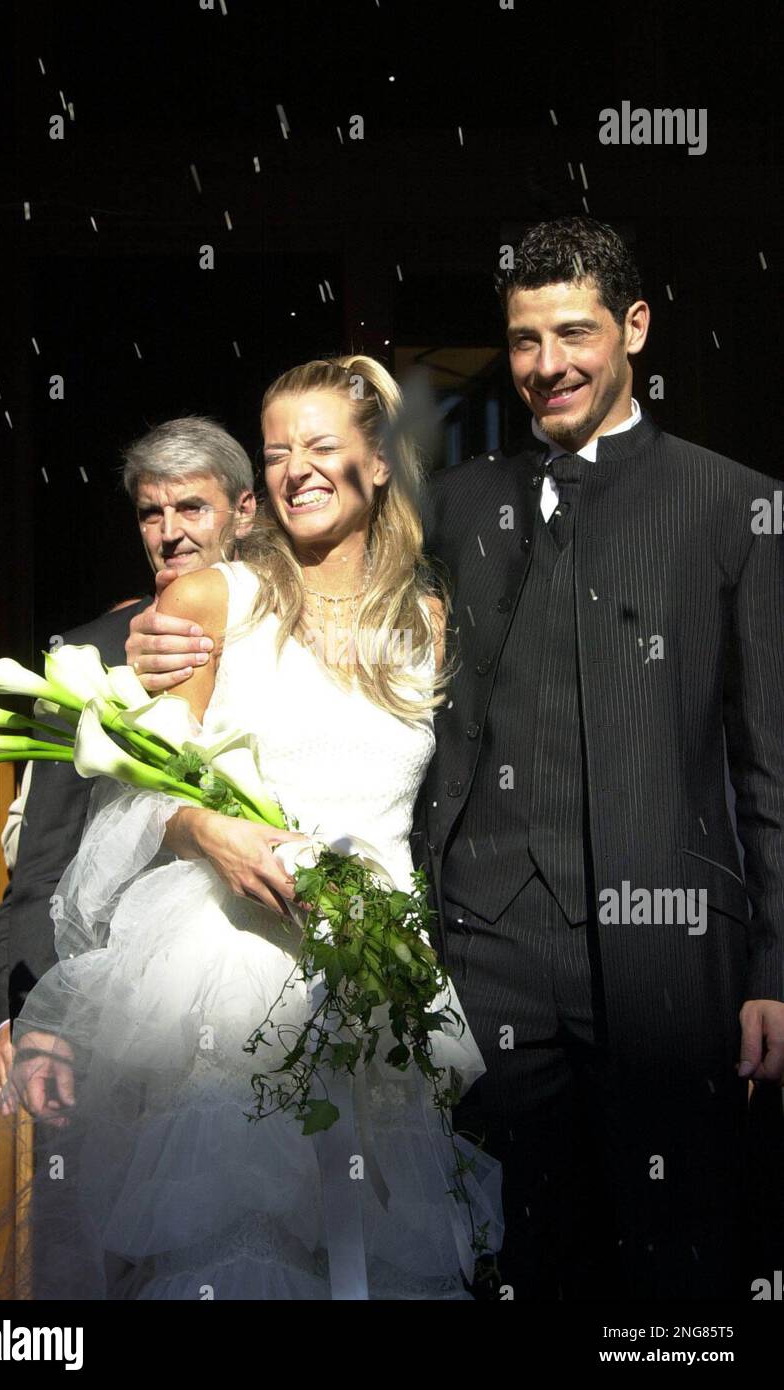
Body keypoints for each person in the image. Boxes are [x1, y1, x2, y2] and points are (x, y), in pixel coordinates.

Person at [0, 356, 503, 1300]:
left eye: (322, 445)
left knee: (378, 1261)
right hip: (229, 973)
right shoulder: (213, 603)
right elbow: (132, 795)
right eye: (278, 449)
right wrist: (211, 834)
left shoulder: (430, 618)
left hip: (378, 975)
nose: (297, 467)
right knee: (235, 1246)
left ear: (378, 461)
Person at [418, 216, 784, 1299]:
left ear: (635, 326)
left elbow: (773, 763)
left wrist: (776, 967)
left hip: (671, 957)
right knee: (512, 1260)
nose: (547, 366)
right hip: (490, 945)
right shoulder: (459, 503)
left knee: (677, 1267)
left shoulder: (736, 505)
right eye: (524, 341)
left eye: (572, 333)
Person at [0, 415, 257, 1122]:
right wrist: (28, 1018)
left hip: (274, 989)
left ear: (245, 512)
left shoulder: (296, 636)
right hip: (120, 1022)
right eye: (150, 513)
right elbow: (42, 865)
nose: (170, 532)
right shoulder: (85, 657)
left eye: (192, 507)